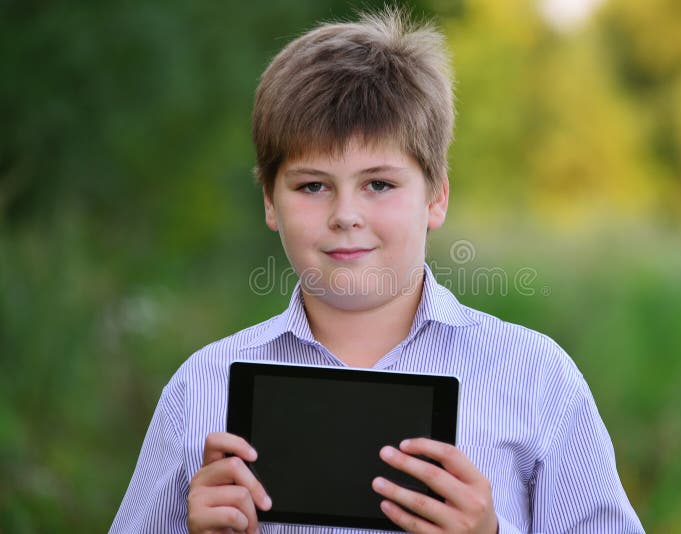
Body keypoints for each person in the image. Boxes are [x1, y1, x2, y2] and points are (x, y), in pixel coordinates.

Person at [111, 7, 644, 534]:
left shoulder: (538, 380)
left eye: (379, 184)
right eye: (312, 186)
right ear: (270, 202)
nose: (346, 215)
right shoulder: (201, 388)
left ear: (436, 197)